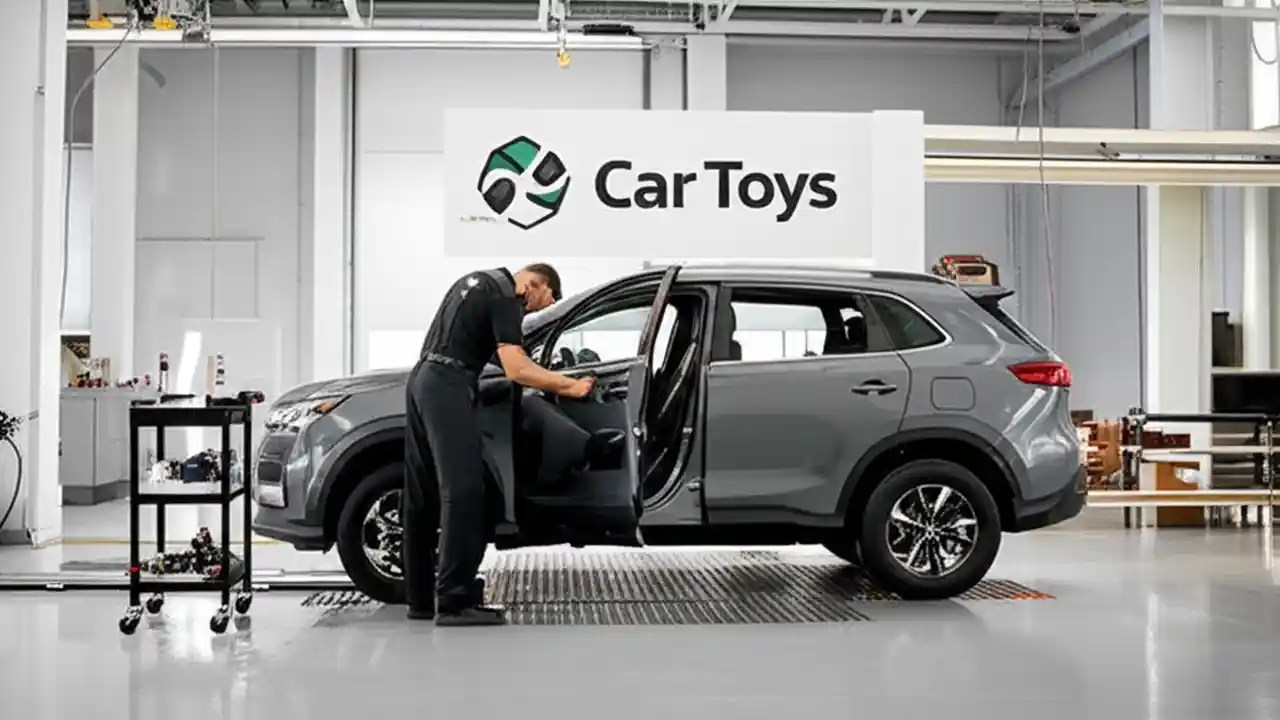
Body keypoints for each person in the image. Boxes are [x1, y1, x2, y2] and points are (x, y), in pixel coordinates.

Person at [404, 263, 594, 626]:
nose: (530, 311)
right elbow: (516, 369)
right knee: (465, 491)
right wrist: (571, 386)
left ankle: (421, 599)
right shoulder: (507, 297)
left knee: (421, 494)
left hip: (422, 380)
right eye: (540, 304)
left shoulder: (475, 281)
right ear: (536, 285)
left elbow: (485, 350)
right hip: (448, 386)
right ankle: (455, 601)